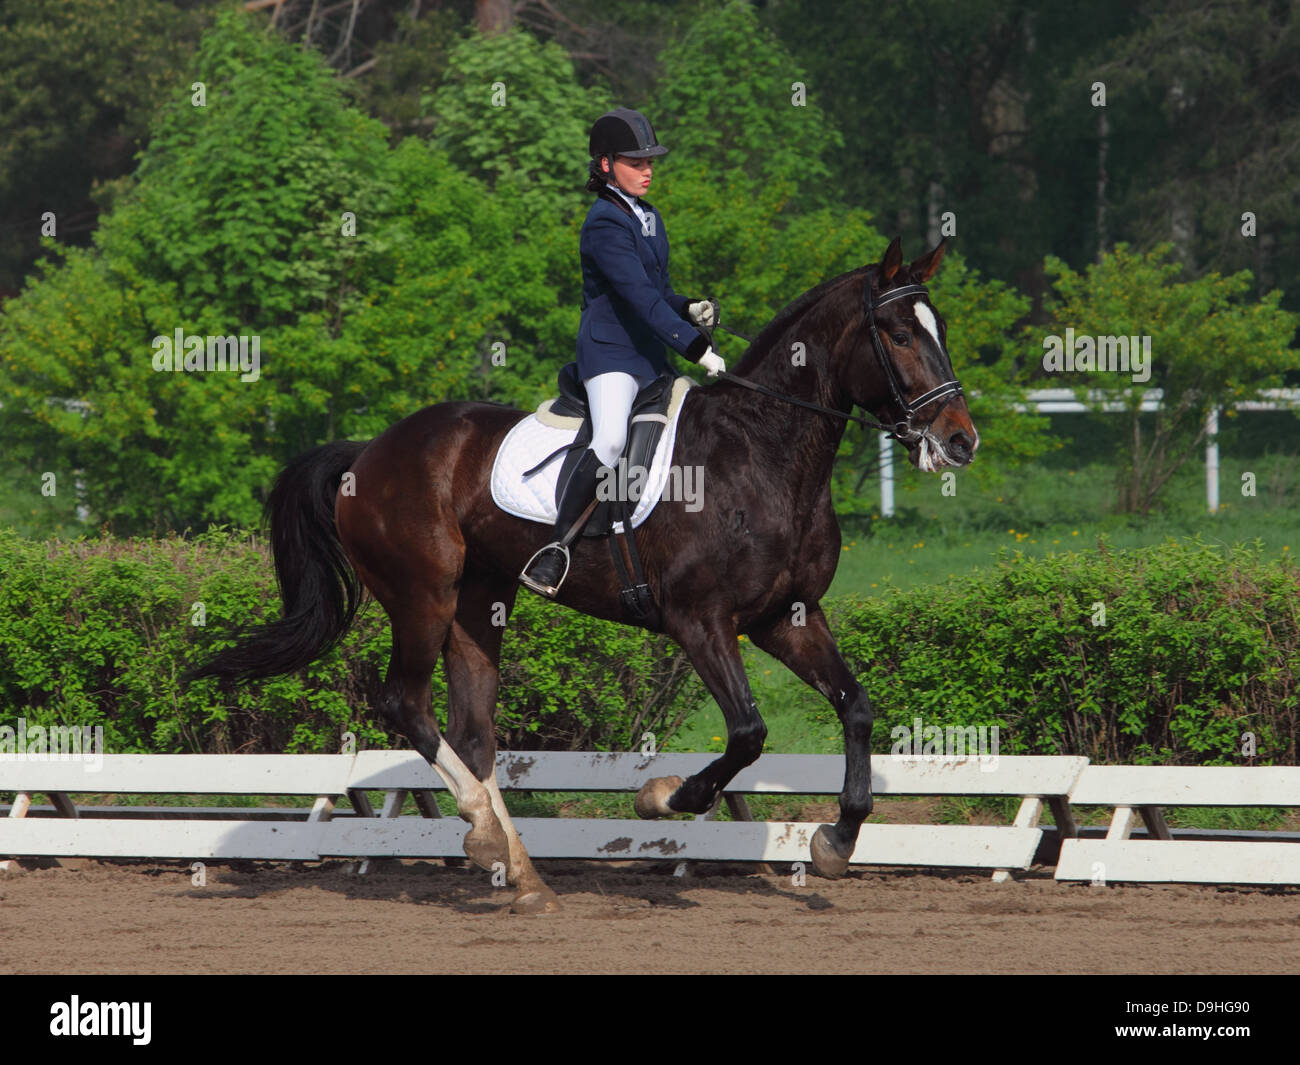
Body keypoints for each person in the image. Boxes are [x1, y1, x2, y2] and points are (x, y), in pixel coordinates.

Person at [519, 107, 725, 597]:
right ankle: (556, 548)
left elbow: (658, 292)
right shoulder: (604, 223)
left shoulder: (648, 217)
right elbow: (635, 297)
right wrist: (696, 347)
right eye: (636, 161)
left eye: (651, 161)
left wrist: (689, 307)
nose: (648, 169)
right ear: (607, 164)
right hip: (610, 355)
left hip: (650, 355)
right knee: (610, 441)